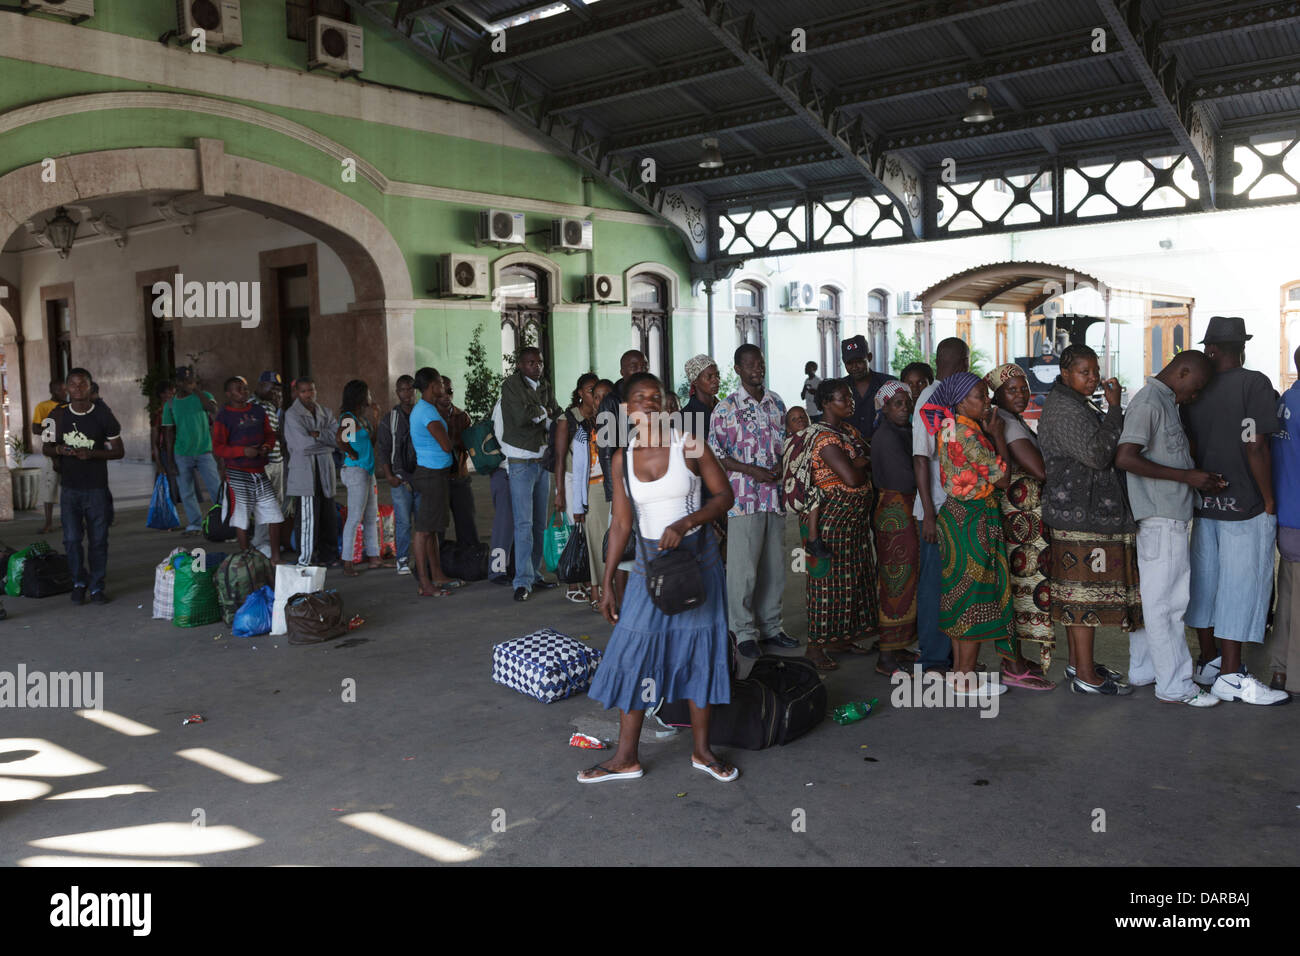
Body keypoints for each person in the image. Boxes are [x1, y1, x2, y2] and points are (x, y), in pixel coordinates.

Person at [581, 372, 737, 784]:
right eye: (639, 397)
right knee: (632, 654)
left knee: (699, 652)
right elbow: (619, 524)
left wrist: (687, 522)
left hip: (697, 565)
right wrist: (607, 582)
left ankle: (702, 753)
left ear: (667, 404)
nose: (649, 403)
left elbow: (725, 496)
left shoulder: (689, 444)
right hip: (648, 572)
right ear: (627, 409)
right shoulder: (621, 457)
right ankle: (625, 758)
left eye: (656, 396)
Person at [921, 373, 1054, 694]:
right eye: (981, 396)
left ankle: (960, 673)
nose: (988, 401)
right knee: (973, 595)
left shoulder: (950, 426)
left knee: (958, 593)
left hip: (955, 515)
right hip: (973, 518)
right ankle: (965, 678)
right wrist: (996, 435)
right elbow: (1004, 480)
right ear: (961, 401)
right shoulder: (970, 433)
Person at [1181, 316, 1289, 705]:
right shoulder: (1253, 383)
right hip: (1245, 504)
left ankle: (1208, 662)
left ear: (1210, 349)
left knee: (1206, 585)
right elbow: (1255, 445)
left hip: (1204, 503)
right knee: (1241, 589)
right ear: (1241, 347)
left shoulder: (1196, 387)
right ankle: (1231, 675)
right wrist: (1269, 499)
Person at [1114, 351, 1223, 707]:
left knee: (1155, 601)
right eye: (1197, 385)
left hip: (1167, 514)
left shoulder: (1164, 400)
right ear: (1183, 371)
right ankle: (1175, 685)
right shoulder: (1149, 402)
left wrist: (1192, 478)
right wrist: (1186, 476)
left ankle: (1145, 669)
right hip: (1161, 517)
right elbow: (1126, 457)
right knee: (1169, 605)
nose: (1197, 394)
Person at [1038, 344, 1138, 696]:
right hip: (1077, 516)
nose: (1093, 377)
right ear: (1065, 374)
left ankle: (1079, 666)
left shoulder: (1076, 403)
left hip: (1080, 513)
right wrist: (1114, 408)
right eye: (1085, 372)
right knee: (1082, 598)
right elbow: (1097, 455)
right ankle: (1084, 675)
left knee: (1077, 596)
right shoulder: (1065, 408)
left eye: (1095, 370)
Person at [709, 344, 795, 659]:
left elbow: (787, 445)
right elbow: (716, 453)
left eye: (760, 363)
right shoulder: (726, 408)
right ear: (738, 370)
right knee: (743, 571)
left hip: (774, 497)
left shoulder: (777, 403)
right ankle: (742, 631)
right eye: (750, 364)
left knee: (774, 568)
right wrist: (750, 470)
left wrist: (780, 467)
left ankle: (772, 627)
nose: (757, 369)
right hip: (743, 499)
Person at [785, 379, 876, 671]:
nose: (849, 402)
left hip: (852, 522)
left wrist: (861, 461)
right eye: (842, 399)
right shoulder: (824, 438)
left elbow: (865, 459)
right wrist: (860, 462)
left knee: (850, 581)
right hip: (830, 522)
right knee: (826, 584)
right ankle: (815, 647)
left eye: (849, 397)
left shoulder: (846, 431)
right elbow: (852, 477)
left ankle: (840, 638)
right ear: (825, 403)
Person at [986, 364, 1055, 670]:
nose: (1020, 394)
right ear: (997, 394)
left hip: (1022, 518)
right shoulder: (1006, 422)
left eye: (1023, 387)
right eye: (1011, 389)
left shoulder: (1011, 420)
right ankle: (1012, 661)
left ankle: (1015, 658)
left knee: (1022, 587)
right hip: (1019, 520)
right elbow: (1039, 470)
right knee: (1021, 587)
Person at [913, 338, 969, 674]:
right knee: (934, 584)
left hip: (954, 506)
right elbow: (921, 460)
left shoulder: (951, 396)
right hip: (937, 507)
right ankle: (932, 659)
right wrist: (930, 515)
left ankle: (950, 656)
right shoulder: (931, 399)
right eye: (961, 361)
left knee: (953, 584)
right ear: (960, 360)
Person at [44, 368, 123, 604]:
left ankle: (97, 586)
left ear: (90, 387)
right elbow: (45, 448)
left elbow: (119, 451)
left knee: (98, 540)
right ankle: (79, 582)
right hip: (69, 489)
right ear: (66, 388)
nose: (78, 388)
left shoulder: (103, 415)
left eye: (83, 384)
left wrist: (92, 454)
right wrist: (60, 449)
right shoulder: (55, 415)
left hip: (97, 488)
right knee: (71, 539)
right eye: (73, 384)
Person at [499, 346, 562, 602]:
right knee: (523, 524)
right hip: (521, 462)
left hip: (541, 462)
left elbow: (556, 412)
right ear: (520, 365)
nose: (536, 366)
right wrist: (543, 412)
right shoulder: (511, 386)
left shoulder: (544, 384)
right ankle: (521, 581)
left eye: (539, 362)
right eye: (530, 362)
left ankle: (535, 574)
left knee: (539, 524)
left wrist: (544, 413)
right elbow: (521, 416)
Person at [871, 380, 921, 673]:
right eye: (897, 404)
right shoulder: (887, 436)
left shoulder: (902, 431)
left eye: (907, 403)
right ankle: (886, 654)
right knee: (895, 579)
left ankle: (899, 645)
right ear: (885, 407)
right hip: (895, 510)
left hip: (904, 510)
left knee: (906, 577)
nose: (904, 409)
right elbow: (905, 479)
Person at [211, 376, 283, 565]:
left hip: (259, 470)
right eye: (238, 389)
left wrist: (267, 446)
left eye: (245, 388)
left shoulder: (258, 411)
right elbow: (218, 447)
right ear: (228, 394)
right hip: (237, 471)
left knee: (274, 514)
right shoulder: (224, 416)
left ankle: (275, 557)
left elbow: (269, 433)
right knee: (241, 517)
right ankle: (247, 556)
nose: (243, 391)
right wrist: (243, 451)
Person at [409, 367, 465, 596]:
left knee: (432, 530)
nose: (444, 388)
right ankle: (425, 583)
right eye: (441, 383)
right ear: (433, 386)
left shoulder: (425, 409)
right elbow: (446, 445)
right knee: (423, 531)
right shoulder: (428, 412)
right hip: (431, 475)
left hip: (434, 474)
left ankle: (438, 574)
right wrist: (455, 434)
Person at [553, 373, 603, 606]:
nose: (593, 394)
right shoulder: (568, 419)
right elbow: (560, 459)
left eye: (596, 389)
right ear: (580, 392)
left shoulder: (602, 416)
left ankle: (589, 580)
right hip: (573, 478)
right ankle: (574, 582)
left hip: (593, 480)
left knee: (591, 531)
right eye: (589, 389)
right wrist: (560, 492)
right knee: (577, 529)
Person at [1267, 345, 1300, 697]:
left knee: (1289, 597)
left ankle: (1279, 671)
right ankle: (1295, 676)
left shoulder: (1285, 402)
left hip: (1287, 515)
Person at [336, 379, 392, 576]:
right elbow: (340, 439)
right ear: (360, 396)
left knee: (370, 516)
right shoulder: (349, 418)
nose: (371, 397)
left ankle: (374, 557)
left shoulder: (362, 420)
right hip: (356, 471)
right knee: (354, 518)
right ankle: (348, 562)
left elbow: (372, 441)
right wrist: (351, 452)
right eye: (368, 393)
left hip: (367, 471)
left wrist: (376, 418)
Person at [283, 378, 340, 568]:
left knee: (328, 515)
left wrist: (318, 436)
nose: (309, 395)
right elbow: (303, 446)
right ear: (297, 393)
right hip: (304, 473)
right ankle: (305, 559)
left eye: (311, 390)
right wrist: (326, 443)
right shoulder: (292, 415)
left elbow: (338, 438)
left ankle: (329, 556)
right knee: (307, 519)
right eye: (304, 391)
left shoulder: (326, 411)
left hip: (324, 470)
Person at [162, 366, 222, 534]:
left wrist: (197, 391)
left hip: (204, 451)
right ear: (178, 383)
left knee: (215, 489)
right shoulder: (171, 404)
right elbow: (168, 433)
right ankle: (195, 524)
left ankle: (224, 521)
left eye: (192, 381)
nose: (189, 384)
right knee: (186, 492)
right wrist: (170, 460)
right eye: (185, 381)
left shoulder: (204, 397)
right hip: (181, 453)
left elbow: (213, 410)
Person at [376, 375, 418, 574]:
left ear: (416, 390)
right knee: (403, 522)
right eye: (402, 390)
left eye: (410, 389)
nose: (407, 393)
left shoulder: (423, 413)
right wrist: (389, 476)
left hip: (421, 477)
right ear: (397, 393)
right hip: (399, 479)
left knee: (424, 523)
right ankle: (402, 559)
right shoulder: (390, 418)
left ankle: (424, 560)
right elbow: (383, 449)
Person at [438, 376, 479, 548]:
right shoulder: (430, 416)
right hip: (438, 479)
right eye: (443, 392)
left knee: (466, 522)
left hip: (460, 477)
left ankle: (470, 558)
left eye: (450, 391)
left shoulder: (462, 416)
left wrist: (459, 442)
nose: (447, 396)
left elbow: (472, 446)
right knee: (437, 526)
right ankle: (436, 562)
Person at [842, 334, 898, 437]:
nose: (854, 367)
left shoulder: (889, 384)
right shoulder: (839, 388)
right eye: (849, 363)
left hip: (884, 448)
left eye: (859, 362)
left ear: (869, 357)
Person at [32, 378, 68, 534]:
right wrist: (51, 431)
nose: (65, 392)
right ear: (53, 391)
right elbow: (35, 428)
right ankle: (48, 523)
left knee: (68, 488)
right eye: (62, 390)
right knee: (50, 486)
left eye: (66, 389)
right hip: (51, 449)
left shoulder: (70, 406)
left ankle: (69, 520)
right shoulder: (43, 407)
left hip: (67, 450)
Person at [682, 355, 720, 445]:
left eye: (717, 375)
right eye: (709, 377)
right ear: (695, 381)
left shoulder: (725, 408)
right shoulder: (685, 417)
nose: (716, 380)